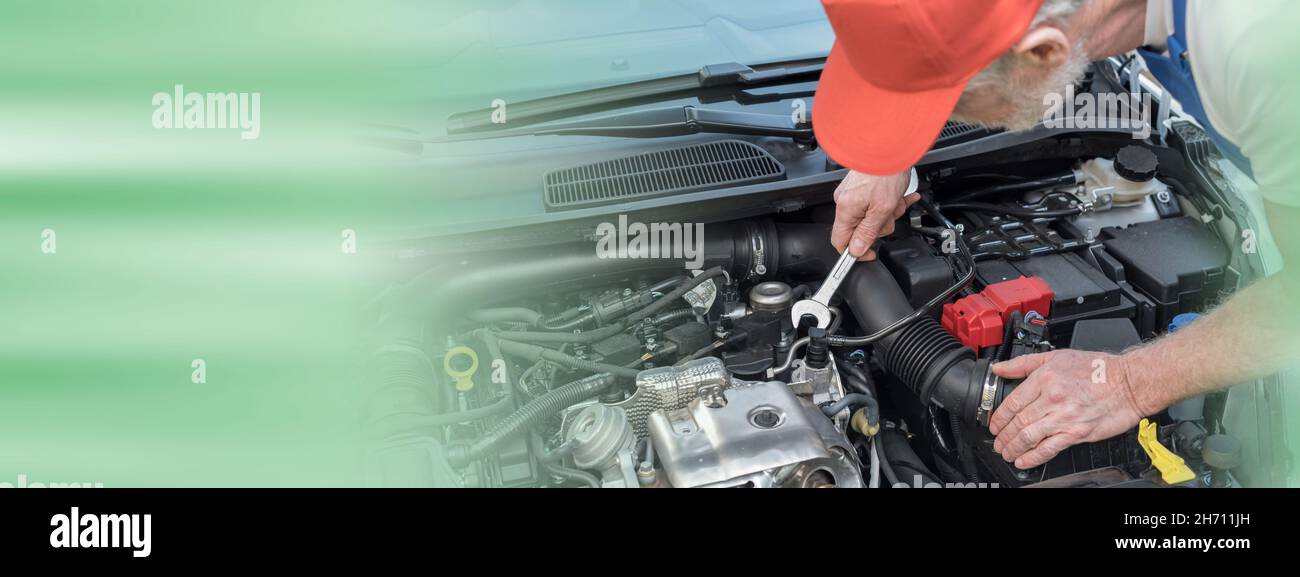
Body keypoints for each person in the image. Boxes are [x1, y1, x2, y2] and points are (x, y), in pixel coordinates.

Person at [815, 0, 1300, 469]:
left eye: (954, 103)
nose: (950, 115)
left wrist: (1129, 383)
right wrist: (892, 154)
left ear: (1043, 53)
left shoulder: (1263, 48)